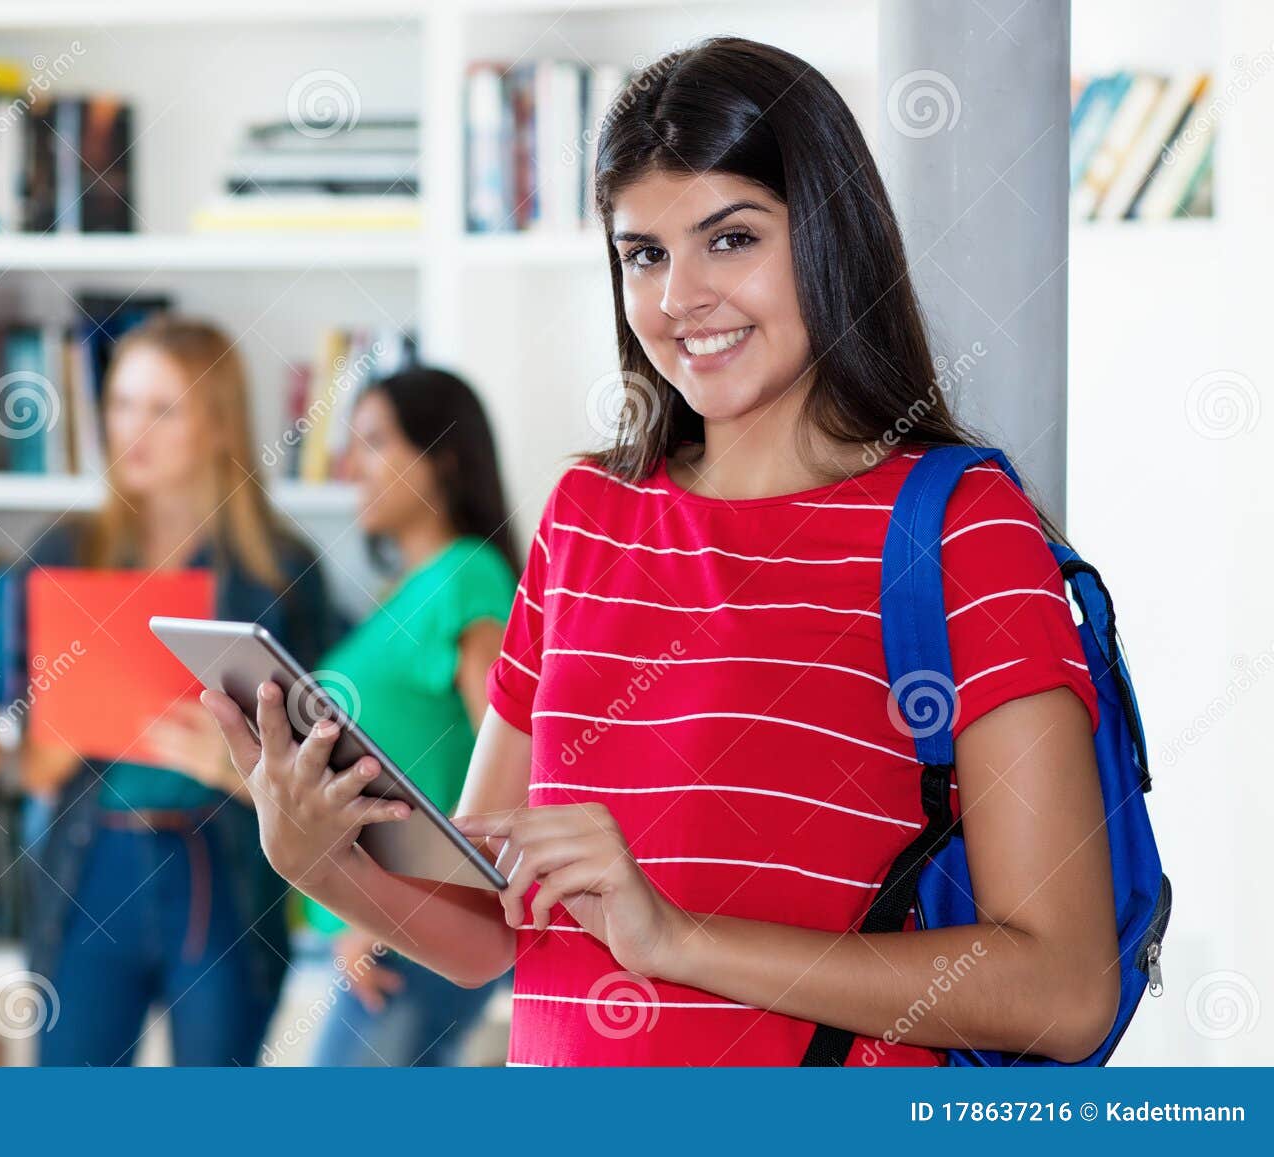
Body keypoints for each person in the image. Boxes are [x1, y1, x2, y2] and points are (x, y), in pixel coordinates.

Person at [201, 38, 1121, 1067]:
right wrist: (316, 857)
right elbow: (488, 923)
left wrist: (675, 937)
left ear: (832, 237)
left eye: (731, 238)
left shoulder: (961, 527)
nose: (680, 296)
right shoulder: (584, 517)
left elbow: (1065, 988)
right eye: (644, 253)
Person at [24, 316, 337, 1067]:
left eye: (163, 410)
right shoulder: (64, 552)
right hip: (91, 865)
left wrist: (232, 769)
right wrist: (54, 739)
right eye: (121, 404)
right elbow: (28, 767)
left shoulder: (279, 573)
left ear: (219, 424)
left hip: (221, 873)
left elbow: (325, 774)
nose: (132, 430)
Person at [301, 368, 519, 1067]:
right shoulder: (406, 594)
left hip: (411, 930)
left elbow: (517, 770)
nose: (350, 466)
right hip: (375, 927)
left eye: (375, 442)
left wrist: (397, 910)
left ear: (442, 458)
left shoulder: (469, 576)